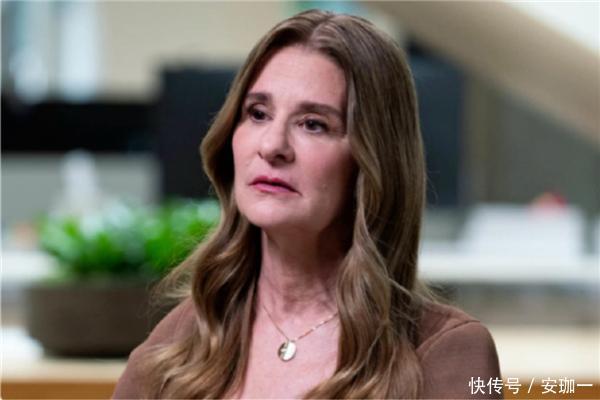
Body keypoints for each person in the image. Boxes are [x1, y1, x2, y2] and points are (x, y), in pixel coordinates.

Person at [113, 9, 501, 399]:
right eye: (258, 114)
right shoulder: (178, 344)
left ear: (373, 159)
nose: (272, 146)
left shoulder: (447, 353)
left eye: (313, 123)